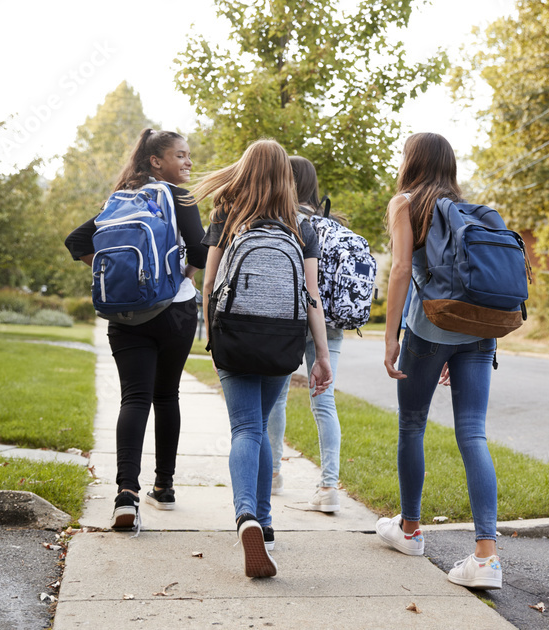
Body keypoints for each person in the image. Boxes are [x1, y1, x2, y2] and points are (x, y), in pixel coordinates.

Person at [195, 139, 333, 578]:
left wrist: (212, 337)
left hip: (235, 337)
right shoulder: (300, 226)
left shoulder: (227, 216)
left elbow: (210, 284)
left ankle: (245, 516)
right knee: (264, 426)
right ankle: (266, 521)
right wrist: (321, 357)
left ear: (245, 169)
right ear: (285, 177)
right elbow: (311, 298)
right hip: (282, 342)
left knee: (245, 429)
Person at [376, 132, 503, 590]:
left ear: (412, 160)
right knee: (473, 433)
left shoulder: (406, 202)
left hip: (429, 331)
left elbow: (401, 270)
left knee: (412, 425)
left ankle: (410, 530)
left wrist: (390, 337)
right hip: (479, 330)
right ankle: (486, 557)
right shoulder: (470, 210)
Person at [64, 129, 206, 531]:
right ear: (157, 161)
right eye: (181, 155)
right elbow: (198, 251)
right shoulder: (178, 197)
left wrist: (120, 276)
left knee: (134, 398)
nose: (188, 162)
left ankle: (126, 494)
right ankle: (163, 487)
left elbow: (75, 240)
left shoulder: (118, 199)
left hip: (125, 317)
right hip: (174, 312)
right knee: (166, 395)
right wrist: (175, 278)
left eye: (188, 155)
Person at [266, 156, 344, 512]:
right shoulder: (333, 223)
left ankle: (272, 475)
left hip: (293, 319)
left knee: (277, 399)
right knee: (324, 401)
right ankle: (329, 487)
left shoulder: (284, 221)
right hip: (332, 323)